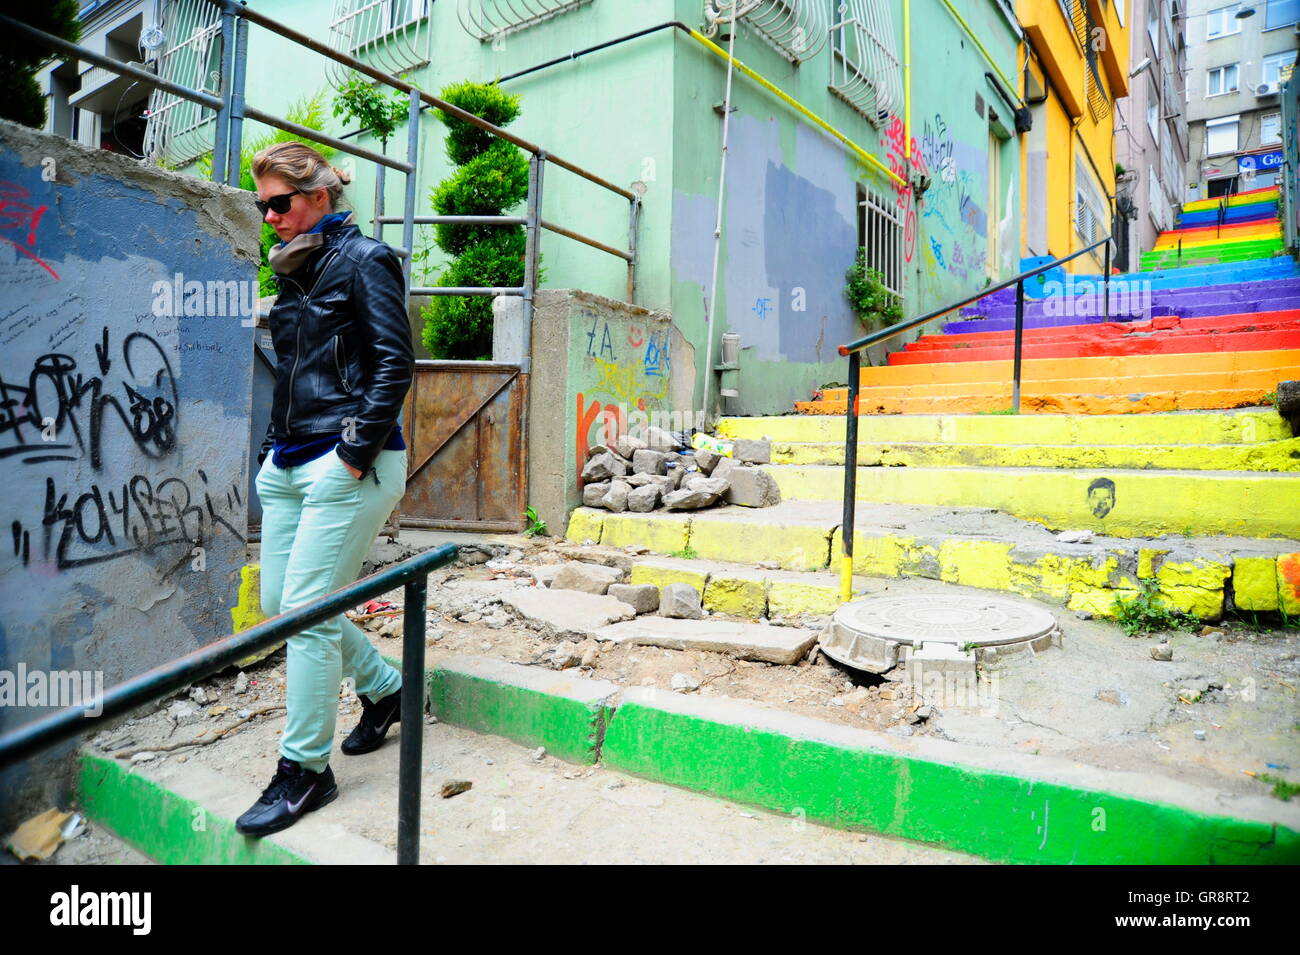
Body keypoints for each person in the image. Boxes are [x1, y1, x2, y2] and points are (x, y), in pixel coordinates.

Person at [235, 141, 414, 837]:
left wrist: (351, 452)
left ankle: (305, 769)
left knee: (307, 611)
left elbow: (394, 364)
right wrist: (268, 454)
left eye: (280, 202)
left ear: (318, 195)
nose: (271, 216)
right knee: (285, 605)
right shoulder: (294, 273)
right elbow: (292, 373)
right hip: (287, 462)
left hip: (348, 463)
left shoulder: (364, 261)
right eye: (263, 206)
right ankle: (386, 688)